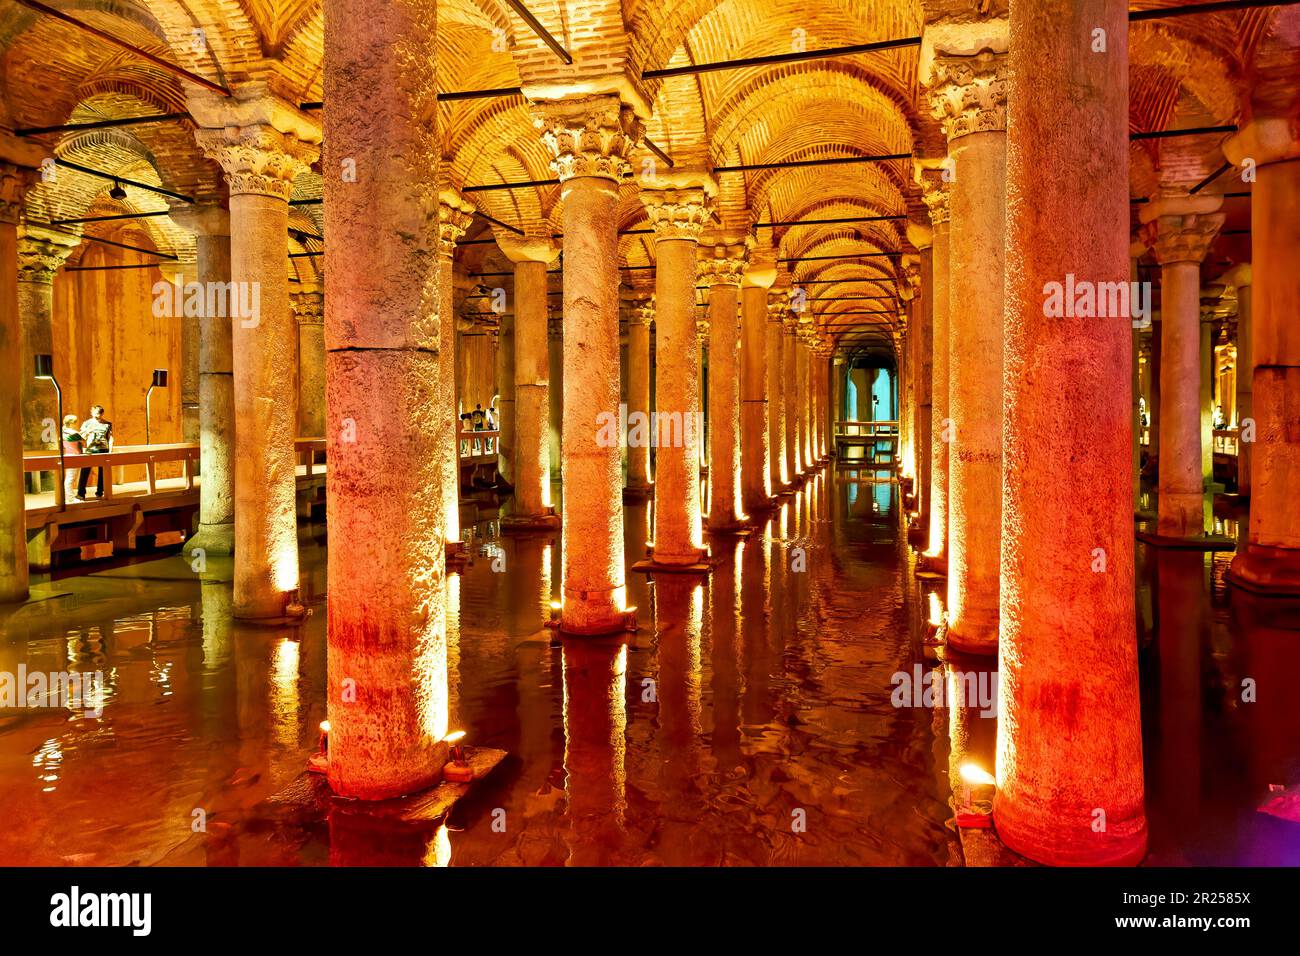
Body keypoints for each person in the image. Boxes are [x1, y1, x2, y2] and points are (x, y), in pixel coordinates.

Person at [77, 405, 113, 500]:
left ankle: (100, 492)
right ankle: (81, 493)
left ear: (102, 413)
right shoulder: (87, 423)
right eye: (96, 413)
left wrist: (110, 450)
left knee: (103, 472)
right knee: (85, 470)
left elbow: (110, 437)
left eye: (99, 413)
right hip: (90, 449)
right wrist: (86, 432)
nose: (98, 415)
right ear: (92, 412)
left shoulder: (107, 424)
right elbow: (81, 436)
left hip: (103, 449)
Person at [61, 415, 84, 503]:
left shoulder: (63, 432)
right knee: (70, 478)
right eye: (75, 422)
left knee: (70, 477)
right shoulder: (73, 433)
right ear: (70, 423)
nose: (75, 424)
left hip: (69, 455)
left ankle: (69, 496)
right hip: (74, 455)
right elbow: (83, 439)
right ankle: (70, 498)